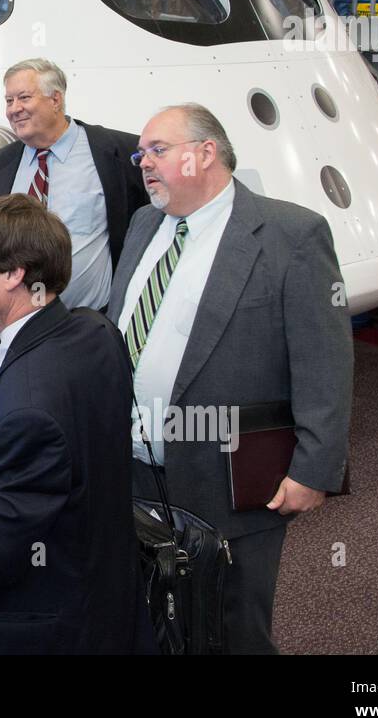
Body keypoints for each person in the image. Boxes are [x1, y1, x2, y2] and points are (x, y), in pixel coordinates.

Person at [106, 103, 353, 654]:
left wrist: (315, 468)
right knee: (147, 616)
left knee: (230, 625)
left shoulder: (291, 234)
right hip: (132, 465)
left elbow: (324, 357)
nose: (142, 162)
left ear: (206, 153)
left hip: (229, 475)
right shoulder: (145, 223)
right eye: (139, 153)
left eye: (157, 150)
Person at [0, 193, 143, 654]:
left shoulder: (30, 408)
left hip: (35, 629)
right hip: (101, 601)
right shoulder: (94, 332)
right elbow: (72, 437)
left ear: (15, 273)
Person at [0, 58, 147, 377]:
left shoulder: (118, 152)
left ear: (56, 98)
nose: (13, 108)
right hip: (11, 333)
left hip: (88, 327)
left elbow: (146, 229)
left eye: (24, 97)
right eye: (8, 100)